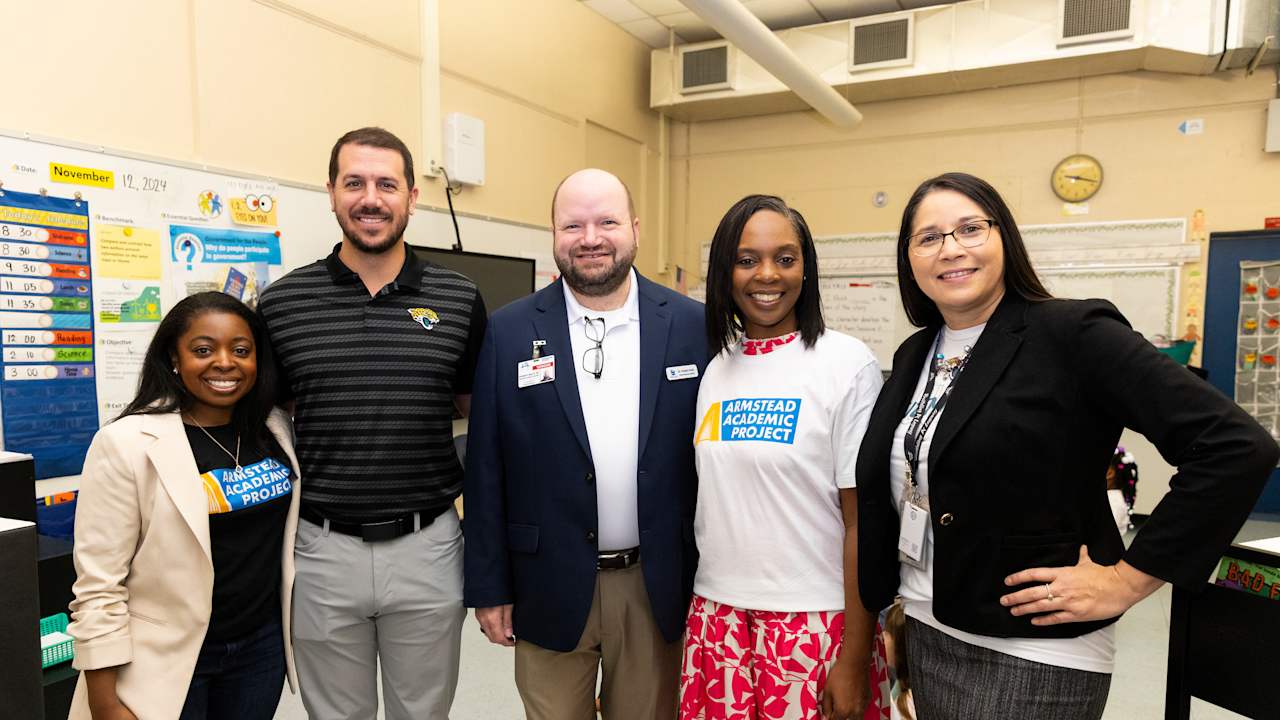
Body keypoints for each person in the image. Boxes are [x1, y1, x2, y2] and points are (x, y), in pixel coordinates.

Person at [856, 172, 1278, 719]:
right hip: (927, 627)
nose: (951, 248)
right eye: (929, 237)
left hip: (1032, 650)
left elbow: (1235, 446)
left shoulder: (1072, 332)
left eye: (970, 229)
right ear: (909, 258)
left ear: (1005, 238)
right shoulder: (917, 353)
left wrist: (1127, 580)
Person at [257, 127, 487, 720]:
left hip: (428, 548)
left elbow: (481, 419)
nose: (370, 198)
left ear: (413, 196)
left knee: (423, 713)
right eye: (354, 182)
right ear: (331, 192)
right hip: (321, 551)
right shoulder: (283, 304)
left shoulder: (459, 299)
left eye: (387, 184)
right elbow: (270, 423)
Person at [463, 168, 707, 719]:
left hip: (656, 584)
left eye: (607, 222)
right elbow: (486, 470)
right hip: (544, 580)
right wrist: (489, 588)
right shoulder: (510, 330)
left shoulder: (693, 325)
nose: (590, 238)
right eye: (573, 225)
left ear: (635, 230)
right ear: (553, 233)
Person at [680, 195, 885, 720]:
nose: (767, 274)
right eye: (746, 260)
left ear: (805, 269)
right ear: (724, 273)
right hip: (719, 618)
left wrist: (854, 657)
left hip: (814, 623)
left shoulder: (846, 364)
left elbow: (861, 523)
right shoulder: (717, 370)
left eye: (785, 258)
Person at [67, 291, 300, 720]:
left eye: (241, 350)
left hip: (260, 650)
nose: (225, 363)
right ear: (174, 358)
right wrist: (104, 701)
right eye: (203, 350)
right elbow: (99, 585)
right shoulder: (127, 443)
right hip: (166, 658)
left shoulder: (274, 428)